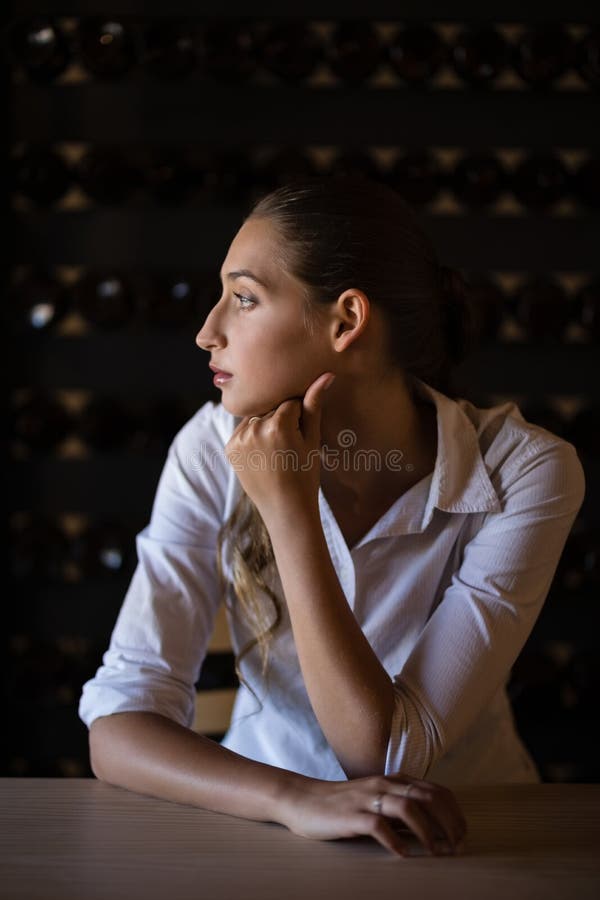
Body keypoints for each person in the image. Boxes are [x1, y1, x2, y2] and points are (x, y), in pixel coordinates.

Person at [79, 174, 584, 858]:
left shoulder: (528, 471)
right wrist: (293, 798)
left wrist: (290, 512)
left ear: (346, 321)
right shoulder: (207, 448)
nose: (207, 332)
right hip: (253, 826)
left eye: (244, 298)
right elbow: (119, 722)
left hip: (467, 836)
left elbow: (388, 758)